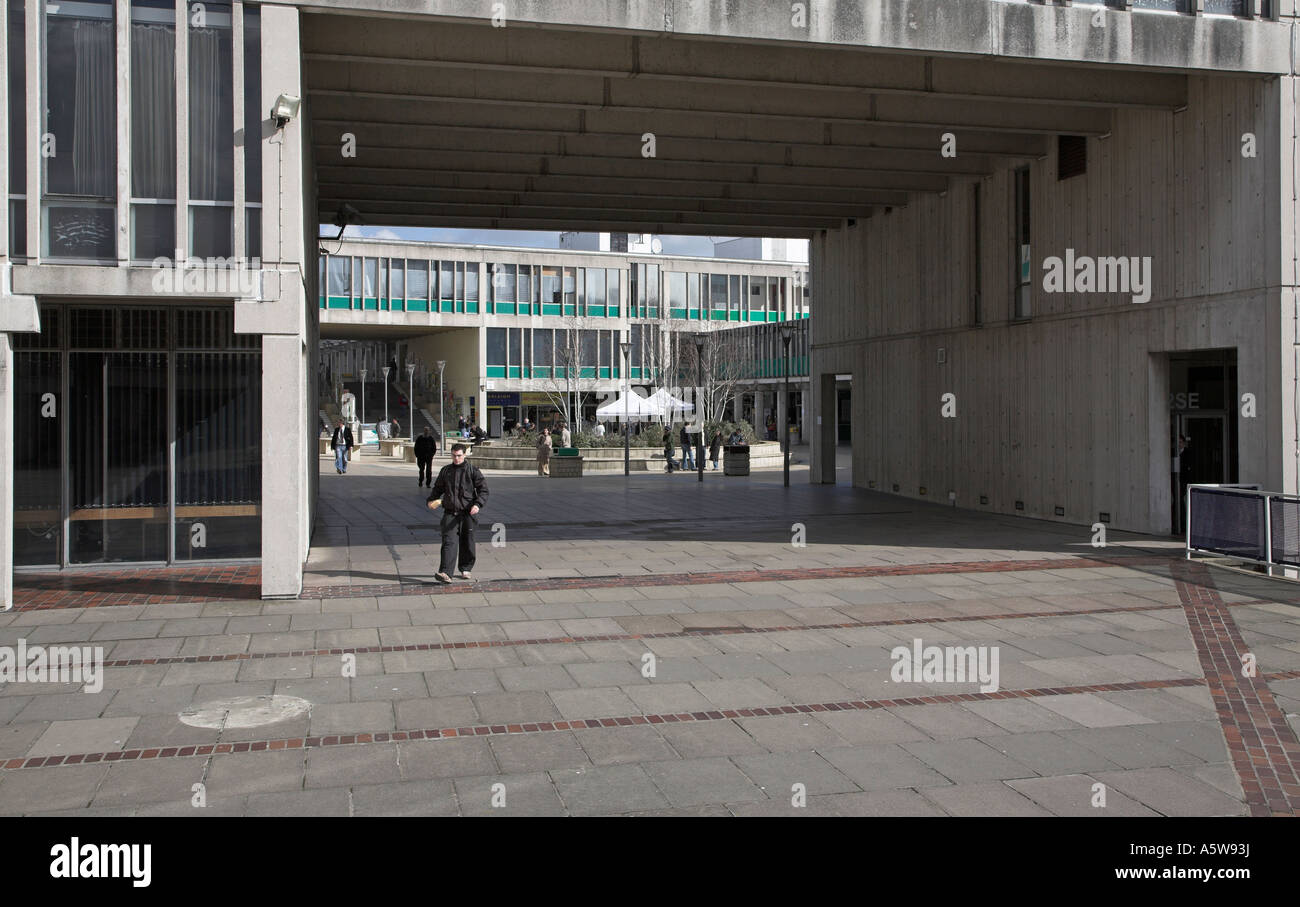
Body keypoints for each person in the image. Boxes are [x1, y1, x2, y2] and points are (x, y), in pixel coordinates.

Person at [426, 443, 489, 583]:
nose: (456, 459)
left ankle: (466, 567)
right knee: (449, 542)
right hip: (450, 513)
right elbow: (437, 489)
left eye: (459, 456)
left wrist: (478, 504)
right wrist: (431, 500)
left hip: (468, 513)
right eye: (454, 456)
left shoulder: (473, 471)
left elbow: (483, 490)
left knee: (468, 541)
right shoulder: (446, 471)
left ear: (465, 455)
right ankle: (445, 573)